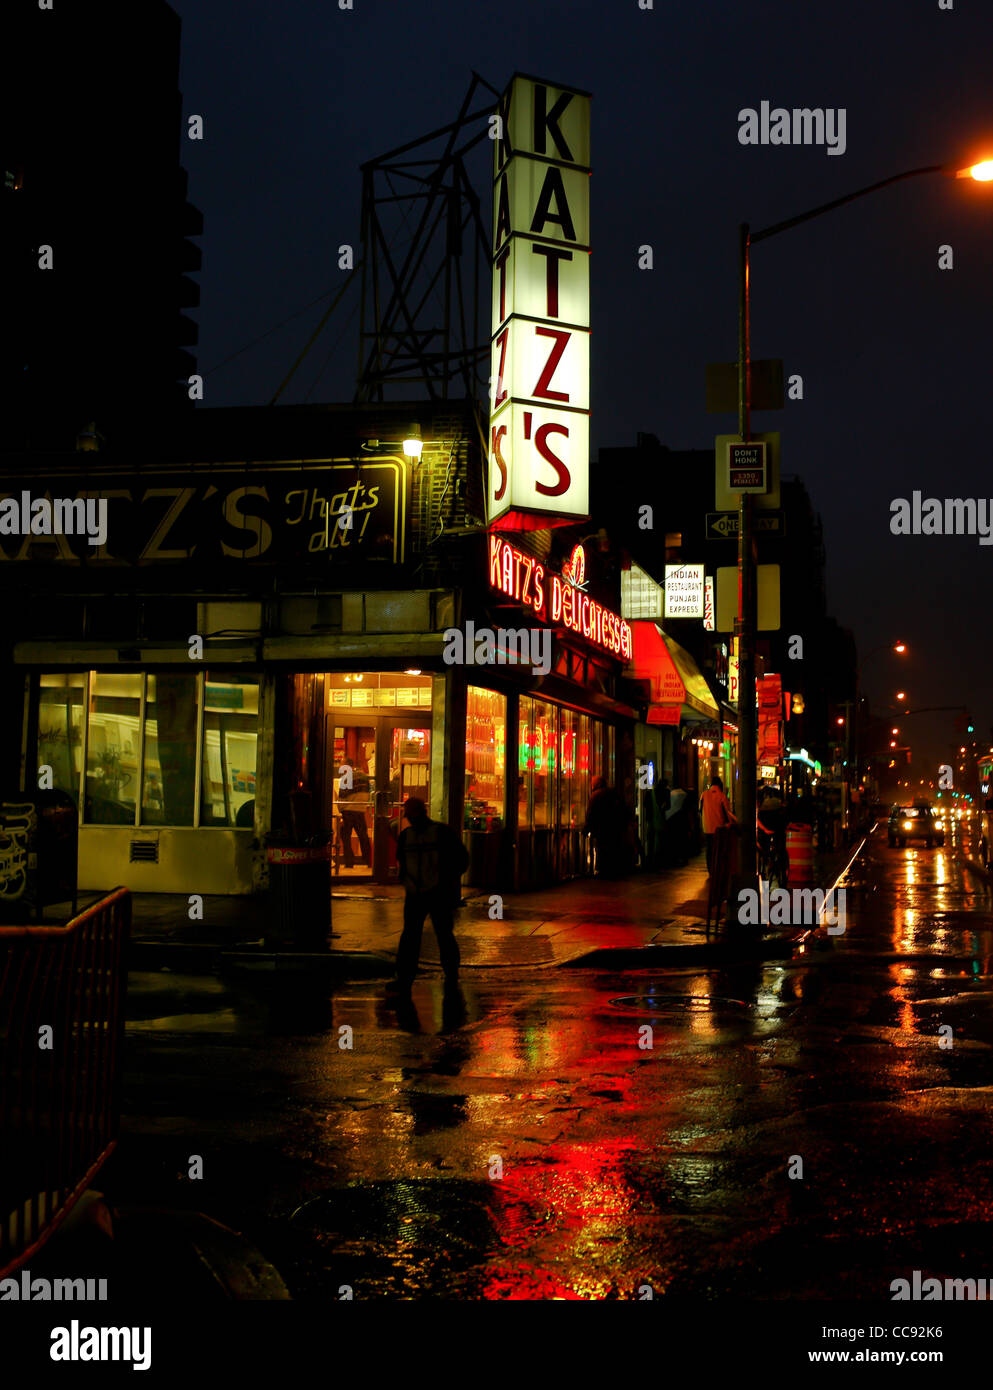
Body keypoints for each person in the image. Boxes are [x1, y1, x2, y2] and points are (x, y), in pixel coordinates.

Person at [393, 797, 469, 991]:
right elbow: (461, 860)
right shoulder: (437, 833)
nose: (410, 819)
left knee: (419, 936)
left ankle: (407, 978)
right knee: (435, 935)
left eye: (410, 814)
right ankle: (448, 975)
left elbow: (460, 860)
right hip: (427, 893)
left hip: (430, 893)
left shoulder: (417, 835)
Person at [584, 775, 624, 878]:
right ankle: (611, 870)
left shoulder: (595, 796)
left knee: (601, 849)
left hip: (600, 829)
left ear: (597, 784)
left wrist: (586, 828)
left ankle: (600, 871)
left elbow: (590, 814)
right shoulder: (613, 794)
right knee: (611, 849)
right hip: (613, 829)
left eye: (592, 783)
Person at [337, 757, 371, 869]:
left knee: (345, 836)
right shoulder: (364, 776)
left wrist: (340, 811)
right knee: (363, 836)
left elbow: (342, 797)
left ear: (347, 765)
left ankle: (349, 862)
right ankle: (369, 860)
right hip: (360, 810)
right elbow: (368, 793)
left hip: (348, 811)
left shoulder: (346, 777)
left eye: (341, 764)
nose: (340, 767)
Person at [700, 775, 735, 873]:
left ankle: (710, 870)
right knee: (719, 850)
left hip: (707, 827)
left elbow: (700, 810)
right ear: (720, 785)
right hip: (719, 828)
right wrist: (730, 823)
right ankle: (717, 870)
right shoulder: (722, 796)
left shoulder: (704, 794)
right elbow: (727, 813)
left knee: (709, 849)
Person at [665, 781, 690, 866]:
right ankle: (682, 857)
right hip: (682, 819)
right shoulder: (684, 794)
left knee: (674, 839)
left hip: (671, 818)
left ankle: (674, 858)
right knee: (681, 839)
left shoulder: (671, 794)